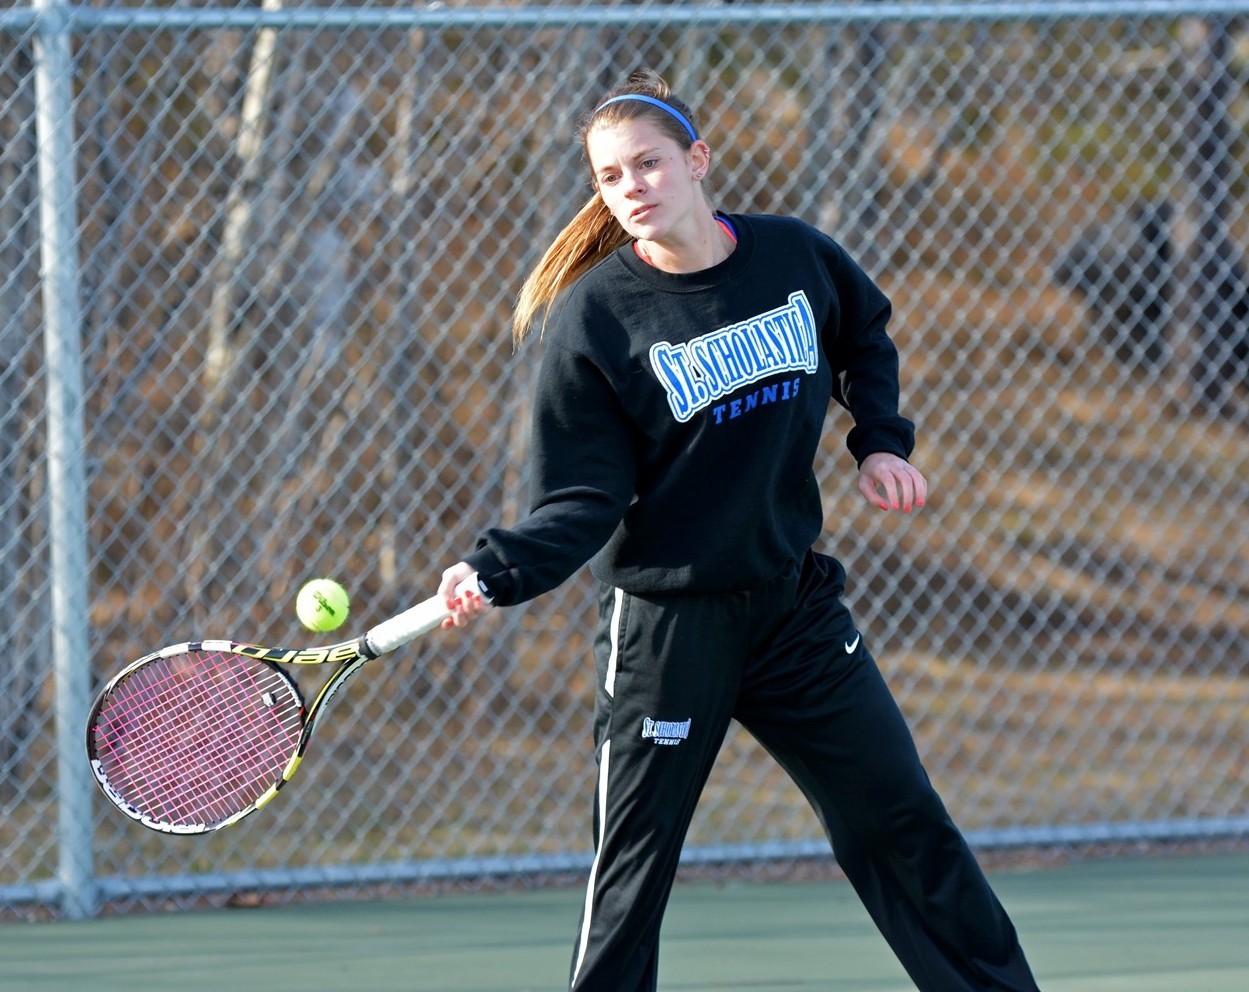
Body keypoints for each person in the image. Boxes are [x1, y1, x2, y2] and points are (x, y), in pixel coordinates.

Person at [437, 67, 1041, 992]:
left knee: (900, 819)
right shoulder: (596, 319)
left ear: (697, 161)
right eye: (609, 177)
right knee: (631, 876)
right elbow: (583, 499)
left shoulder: (793, 256)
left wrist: (877, 441)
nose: (632, 188)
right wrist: (496, 569)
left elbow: (863, 335)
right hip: (670, 628)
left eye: (648, 164)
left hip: (793, 609)